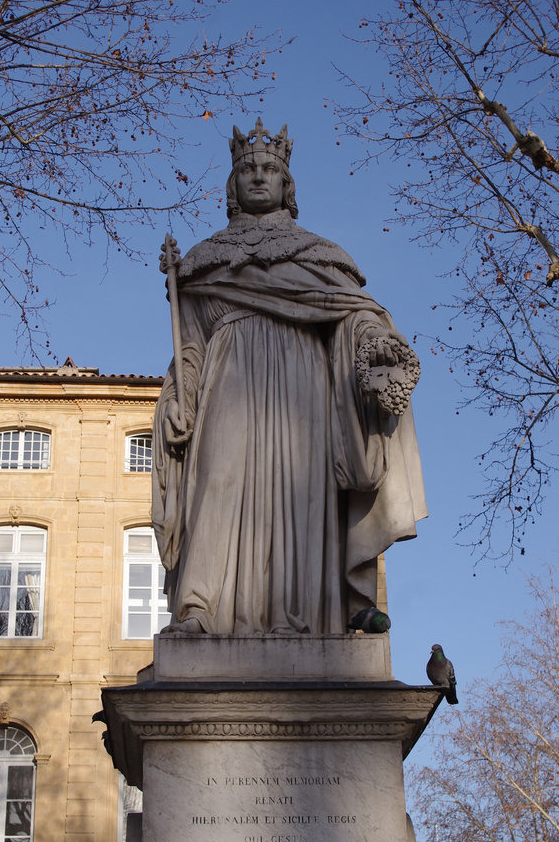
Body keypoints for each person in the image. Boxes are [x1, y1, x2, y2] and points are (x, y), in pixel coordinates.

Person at [152, 119, 426, 635]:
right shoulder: (202, 265)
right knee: (218, 481)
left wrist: (375, 343)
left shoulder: (321, 257)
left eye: (269, 169)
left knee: (300, 497)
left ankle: (301, 619)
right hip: (227, 384)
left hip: (304, 387)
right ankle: (199, 609)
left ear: (287, 184)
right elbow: (189, 350)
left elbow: (353, 315)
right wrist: (177, 401)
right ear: (232, 185)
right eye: (248, 169)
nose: (258, 176)